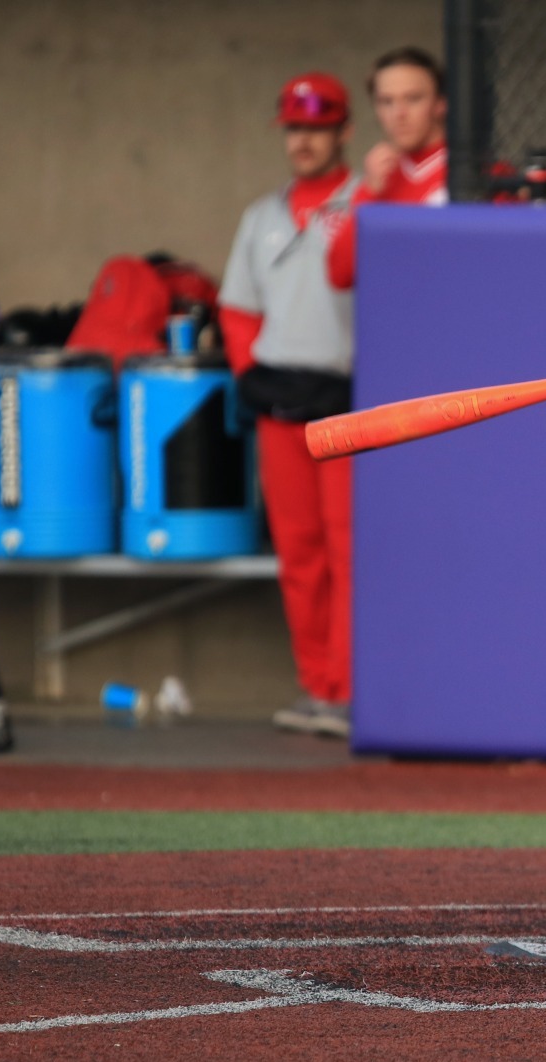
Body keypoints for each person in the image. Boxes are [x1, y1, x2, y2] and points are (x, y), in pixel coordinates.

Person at [218, 73, 359, 738]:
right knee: (298, 548)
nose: (304, 140)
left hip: (346, 394)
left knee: (348, 544)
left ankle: (350, 686)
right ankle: (317, 684)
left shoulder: (366, 200)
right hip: (282, 397)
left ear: (342, 132)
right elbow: (238, 308)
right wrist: (250, 372)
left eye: (318, 126)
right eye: (295, 128)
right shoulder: (261, 214)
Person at [326, 47, 448, 291]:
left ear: (440, 104)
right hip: (395, 322)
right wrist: (369, 191)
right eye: (386, 101)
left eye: (413, 99)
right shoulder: (378, 181)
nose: (399, 114)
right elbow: (339, 274)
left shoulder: (481, 173)